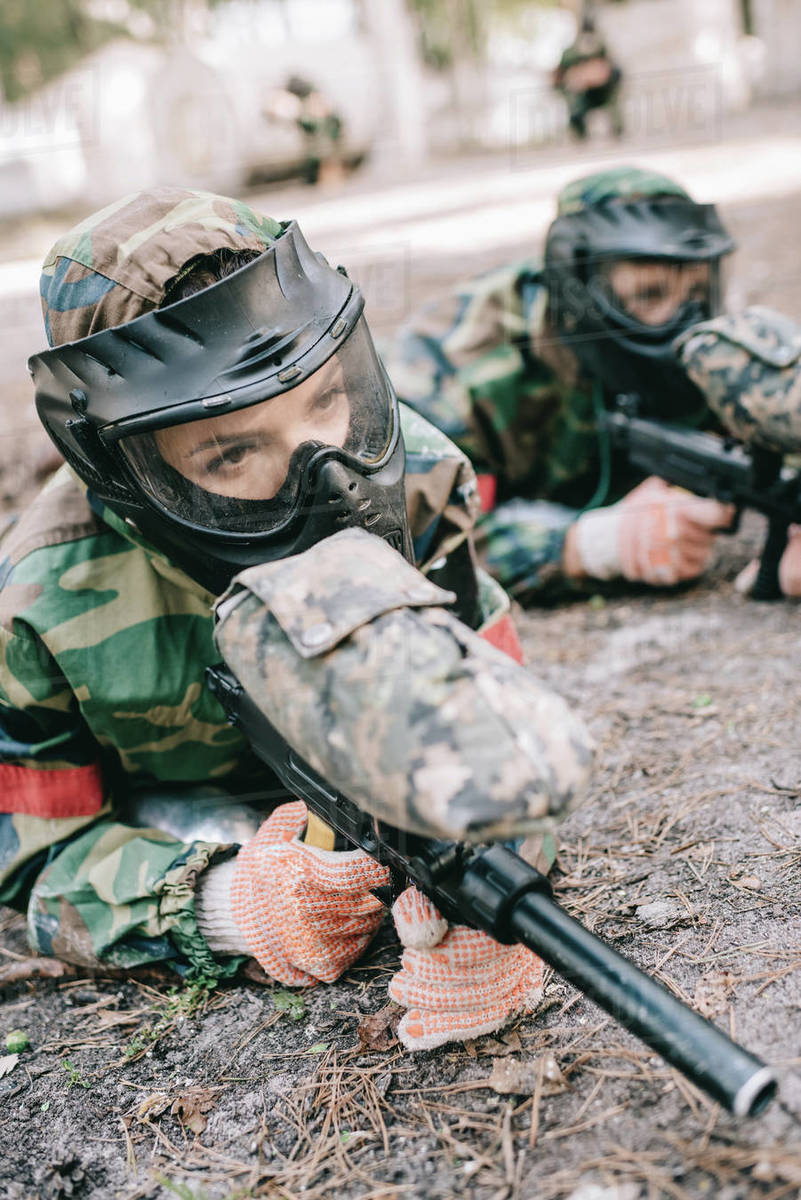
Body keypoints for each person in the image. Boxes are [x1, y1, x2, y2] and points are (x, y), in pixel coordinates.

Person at [0, 187, 590, 1051]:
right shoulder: (40, 604)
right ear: (125, 468)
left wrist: (490, 905)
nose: (332, 479)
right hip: (184, 815)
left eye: (324, 402)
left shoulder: (418, 474)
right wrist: (227, 905)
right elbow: (31, 855)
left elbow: (494, 718)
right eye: (231, 451)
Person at [382, 164, 756, 602]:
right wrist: (586, 546)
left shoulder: (706, 341)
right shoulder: (451, 364)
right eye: (651, 295)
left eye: (698, 293)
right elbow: (414, 536)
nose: (683, 320)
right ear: (580, 290)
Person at [552, 14, 624, 141]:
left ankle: (618, 131)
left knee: (614, 90)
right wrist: (574, 78)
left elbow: (613, 70)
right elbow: (558, 78)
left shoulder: (601, 48)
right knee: (575, 104)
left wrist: (599, 75)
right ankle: (579, 133)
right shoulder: (569, 54)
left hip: (603, 92)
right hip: (580, 96)